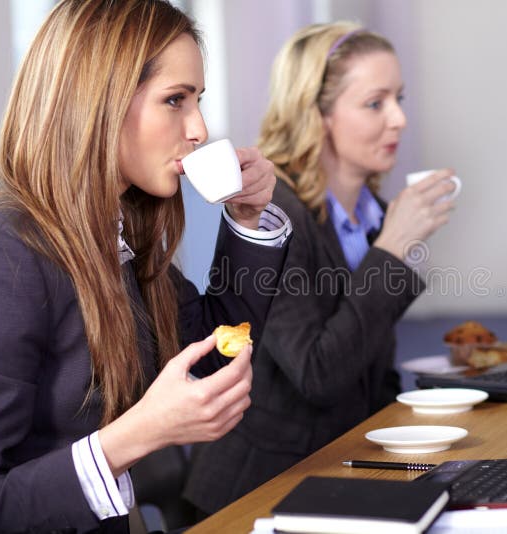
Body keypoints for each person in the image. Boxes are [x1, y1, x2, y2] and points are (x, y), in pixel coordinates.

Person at [0, 1, 291, 532]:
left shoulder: (115, 236)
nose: (199, 128)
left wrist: (248, 222)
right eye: (175, 100)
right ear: (97, 104)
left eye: (197, 100)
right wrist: (138, 434)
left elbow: (208, 352)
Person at [184, 21, 457, 516]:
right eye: (375, 103)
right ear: (316, 113)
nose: (398, 119)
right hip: (260, 492)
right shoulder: (277, 212)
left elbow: (370, 365)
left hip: (339, 467)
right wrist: (392, 252)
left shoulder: (369, 210)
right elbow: (317, 373)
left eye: (399, 98)